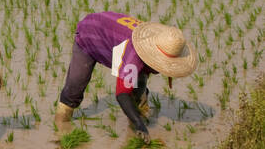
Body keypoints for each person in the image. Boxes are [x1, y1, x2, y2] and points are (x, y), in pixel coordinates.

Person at [55, 14, 198, 140]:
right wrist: (139, 124)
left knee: (138, 84)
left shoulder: (156, 41)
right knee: (75, 86)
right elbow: (122, 94)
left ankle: (139, 109)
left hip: (116, 40)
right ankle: (61, 124)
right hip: (89, 34)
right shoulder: (135, 54)